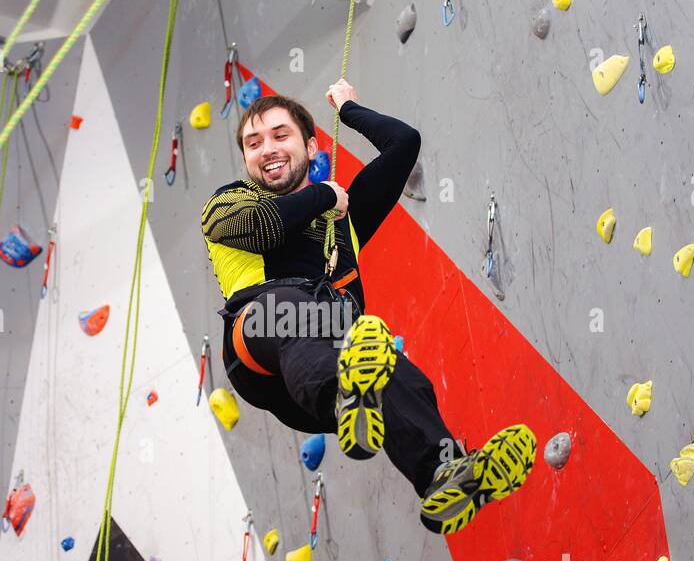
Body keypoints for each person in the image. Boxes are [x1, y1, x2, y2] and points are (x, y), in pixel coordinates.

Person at [200, 78, 535, 534]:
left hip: (320, 383)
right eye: (253, 143)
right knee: (295, 312)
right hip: (259, 342)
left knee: (397, 373)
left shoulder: (344, 219)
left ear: (311, 144)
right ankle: (347, 389)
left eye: (281, 135)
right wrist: (324, 195)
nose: (267, 149)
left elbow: (404, 144)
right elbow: (262, 227)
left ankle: (443, 473)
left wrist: (349, 110)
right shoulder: (229, 202)